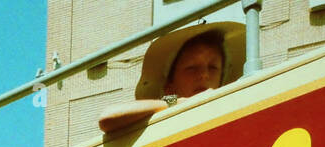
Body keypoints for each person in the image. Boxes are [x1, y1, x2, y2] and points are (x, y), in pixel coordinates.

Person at [99, 22, 245, 134]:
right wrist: (179, 102)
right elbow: (108, 116)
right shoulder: (158, 119)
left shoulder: (237, 112)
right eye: (192, 68)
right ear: (169, 88)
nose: (204, 75)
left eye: (213, 67)